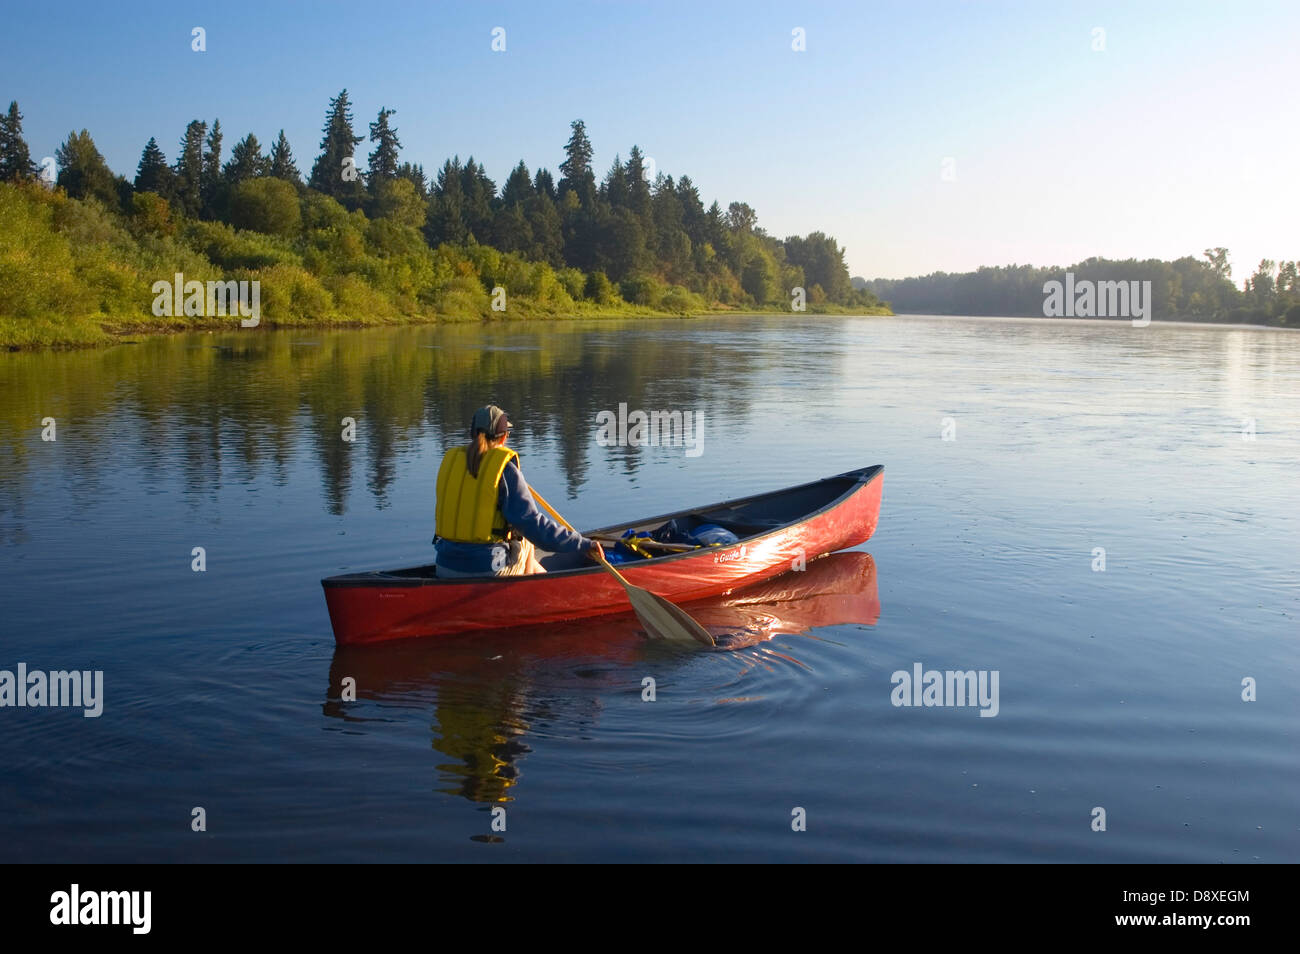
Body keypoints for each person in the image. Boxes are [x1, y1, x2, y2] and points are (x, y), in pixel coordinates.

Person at [434, 405, 604, 577]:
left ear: (472, 433)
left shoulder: (453, 463)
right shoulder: (504, 470)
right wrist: (581, 544)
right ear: (504, 437)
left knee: (517, 539)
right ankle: (542, 591)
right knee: (526, 541)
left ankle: (543, 583)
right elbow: (533, 525)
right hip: (486, 572)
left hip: (444, 567)